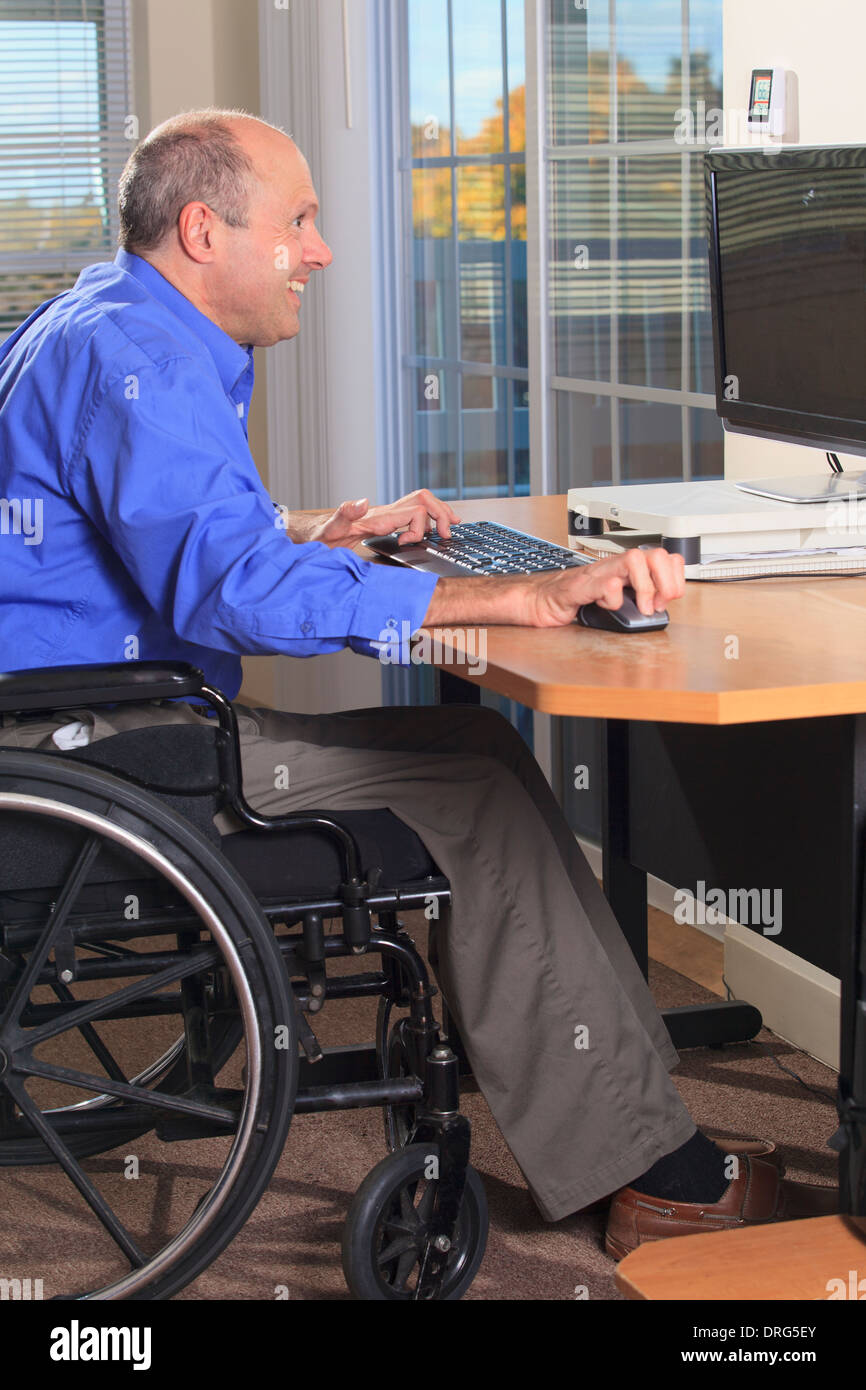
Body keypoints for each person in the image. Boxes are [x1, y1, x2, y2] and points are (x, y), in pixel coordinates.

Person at [0, 109, 834, 1259]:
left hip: (63, 728)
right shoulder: (141, 361)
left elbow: (146, 537)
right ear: (203, 230)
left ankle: (581, 1085)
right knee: (483, 788)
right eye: (299, 220)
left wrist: (313, 529)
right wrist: (529, 597)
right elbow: (234, 599)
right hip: (119, 756)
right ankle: (652, 1167)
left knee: (476, 757)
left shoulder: (90, 321)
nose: (322, 249)